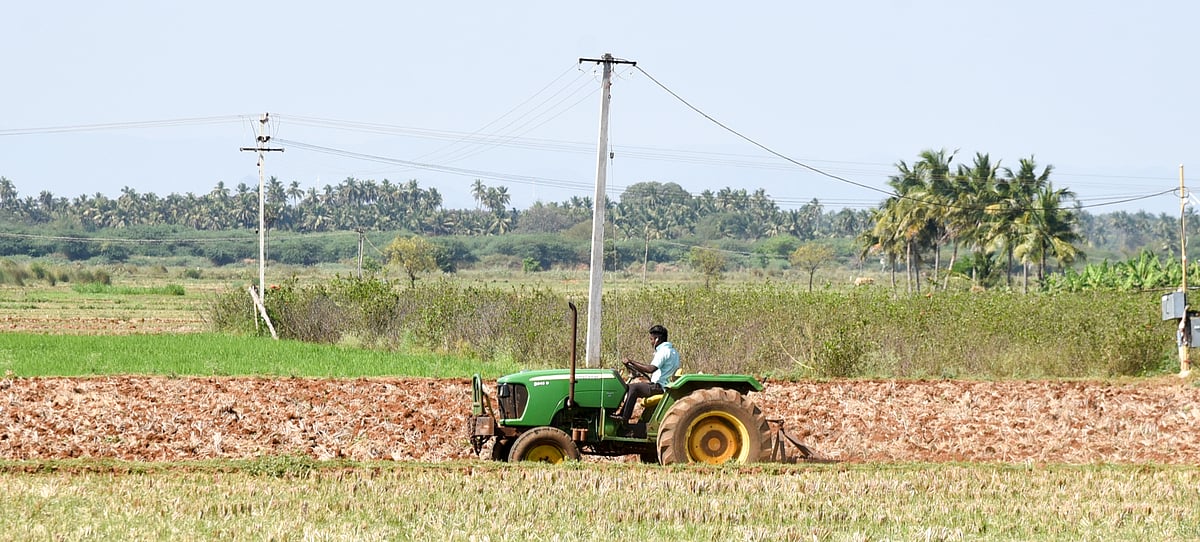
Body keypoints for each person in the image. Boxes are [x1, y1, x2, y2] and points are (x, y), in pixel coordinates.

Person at [612, 324, 680, 422]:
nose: (651, 342)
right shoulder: (673, 351)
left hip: (660, 387)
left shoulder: (663, 351)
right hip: (664, 385)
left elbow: (650, 369)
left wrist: (631, 361)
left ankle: (624, 417)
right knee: (635, 387)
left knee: (633, 387)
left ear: (657, 339)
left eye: (651, 339)